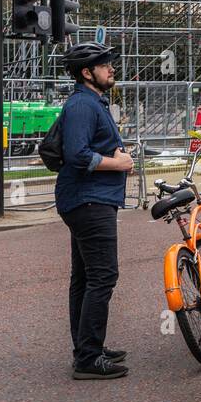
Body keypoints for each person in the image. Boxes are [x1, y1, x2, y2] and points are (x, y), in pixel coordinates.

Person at [55, 43, 135, 380]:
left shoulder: (91, 103)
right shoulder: (82, 105)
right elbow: (77, 154)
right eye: (104, 64)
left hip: (88, 199)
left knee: (85, 277)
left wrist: (116, 154)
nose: (111, 68)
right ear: (87, 73)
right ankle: (88, 357)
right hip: (90, 201)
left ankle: (87, 348)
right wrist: (117, 162)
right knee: (103, 275)